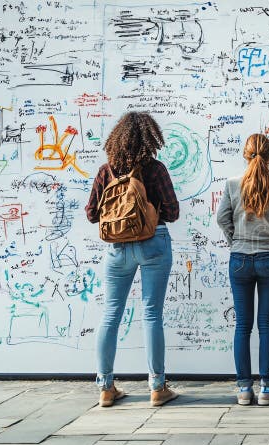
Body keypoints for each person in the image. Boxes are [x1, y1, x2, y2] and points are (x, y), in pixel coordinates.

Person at [85, 112, 180, 407]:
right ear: (149, 139)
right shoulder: (156, 170)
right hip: (153, 244)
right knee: (151, 314)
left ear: (118, 138)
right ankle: (157, 387)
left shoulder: (106, 171)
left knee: (111, 314)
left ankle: (106, 387)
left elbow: (91, 214)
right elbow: (173, 213)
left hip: (117, 249)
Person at [216, 133, 269, 406]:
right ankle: (266, 389)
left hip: (239, 259)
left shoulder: (231, 184)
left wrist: (235, 240)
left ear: (245, 154)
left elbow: (221, 218)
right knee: (265, 324)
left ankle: (243, 389)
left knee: (242, 325)